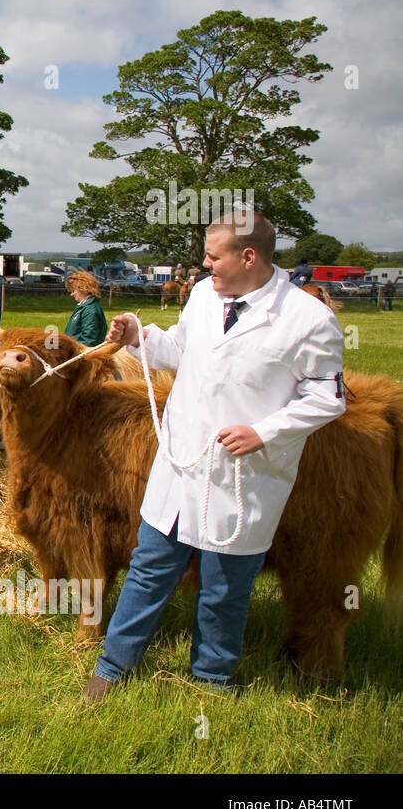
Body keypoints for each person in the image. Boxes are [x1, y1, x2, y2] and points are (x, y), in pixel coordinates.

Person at [83, 211, 345, 702]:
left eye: (212, 256)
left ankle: (211, 681)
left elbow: (327, 398)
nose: (204, 266)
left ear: (248, 256)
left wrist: (263, 432)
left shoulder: (309, 319)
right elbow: (183, 350)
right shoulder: (204, 295)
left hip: (243, 478)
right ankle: (112, 668)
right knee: (148, 570)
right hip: (182, 467)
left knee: (225, 590)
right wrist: (140, 335)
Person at [63, 270, 107, 347]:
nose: (72, 294)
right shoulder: (85, 307)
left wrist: (75, 355)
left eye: (73, 290)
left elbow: (88, 341)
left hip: (82, 356)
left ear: (83, 289)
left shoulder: (90, 310)